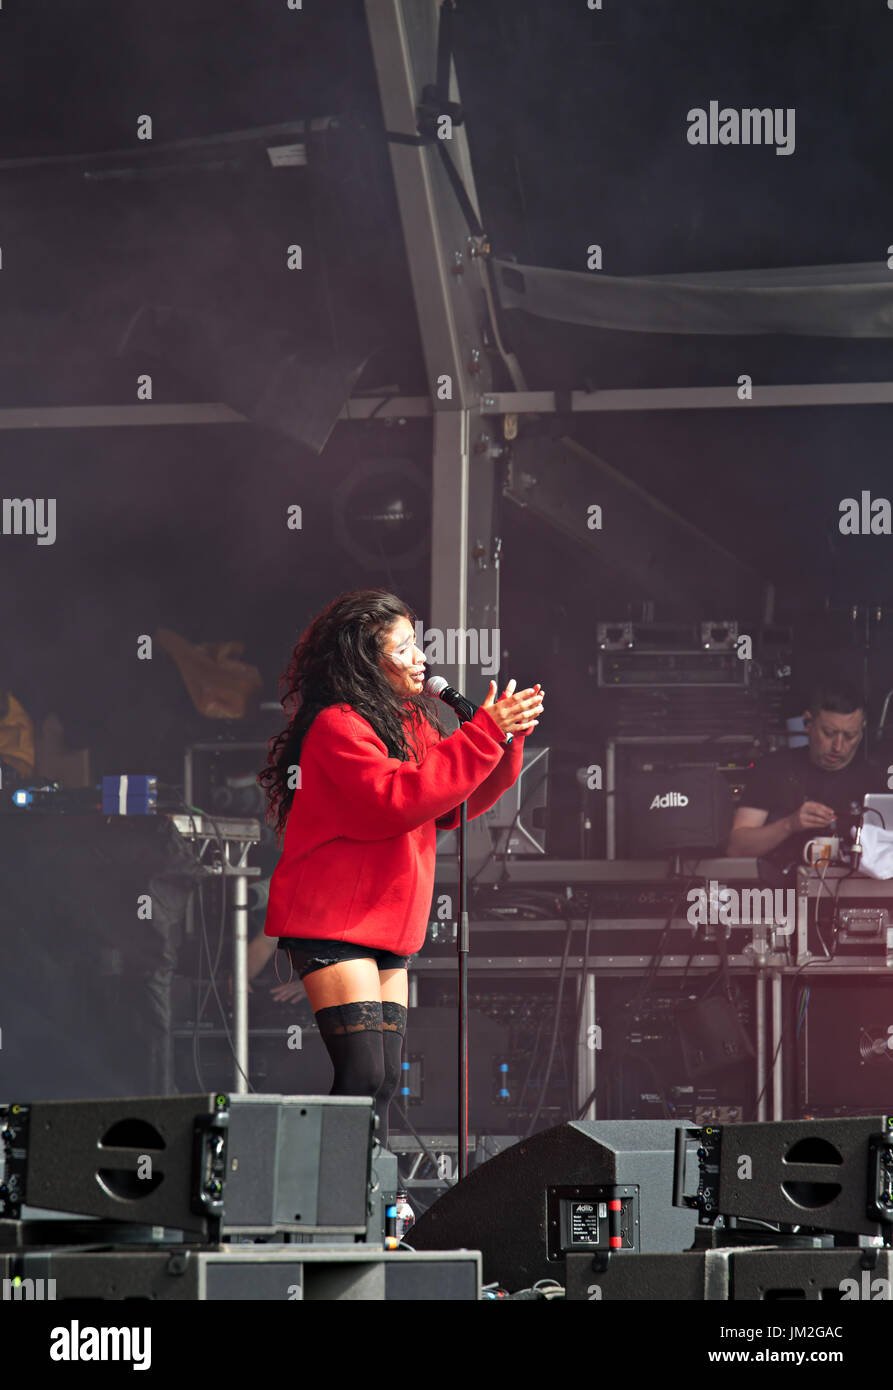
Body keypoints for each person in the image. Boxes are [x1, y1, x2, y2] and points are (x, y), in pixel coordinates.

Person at [258, 589, 544, 1149]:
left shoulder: (412, 721)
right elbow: (396, 798)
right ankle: (330, 1207)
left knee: (385, 1080)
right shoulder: (338, 726)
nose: (421, 659)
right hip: (334, 922)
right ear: (365, 658)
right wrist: (483, 733)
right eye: (404, 647)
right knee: (363, 1074)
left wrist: (506, 741)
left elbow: (446, 806)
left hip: (387, 925)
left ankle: (370, 1208)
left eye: (419, 645)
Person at [726, 681, 886, 875]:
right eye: (829, 733)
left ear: (862, 730)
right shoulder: (774, 769)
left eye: (850, 736)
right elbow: (737, 847)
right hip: (781, 894)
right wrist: (790, 824)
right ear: (808, 723)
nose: (838, 746)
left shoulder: (876, 778)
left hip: (856, 894)